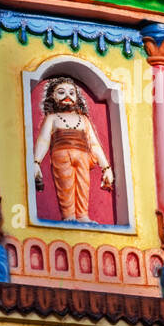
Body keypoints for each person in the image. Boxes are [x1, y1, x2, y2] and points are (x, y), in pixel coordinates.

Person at [33, 76, 113, 223]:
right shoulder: (52, 118)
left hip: (83, 156)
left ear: (77, 97)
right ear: (52, 96)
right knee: (65, 185)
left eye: (72, 92)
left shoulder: (84, 120)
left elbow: (94, 144)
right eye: (61, 92)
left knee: (83, 185)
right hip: (61, 155)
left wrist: (106, 167)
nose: (67, 96)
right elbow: (44, 140)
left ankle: (82, 216)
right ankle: (68, 216)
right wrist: (36, 162)